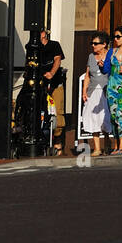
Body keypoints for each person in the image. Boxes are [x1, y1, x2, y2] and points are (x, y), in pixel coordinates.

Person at [81, 31, 113, 155]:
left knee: (104, 118)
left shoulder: (110, 56)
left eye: (95, 43)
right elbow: (88, 76)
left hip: (105, 91)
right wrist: (84, 91)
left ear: (104, 44)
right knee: (93, 117)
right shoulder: (91, 57)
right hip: (93, 91)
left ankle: (107, 142)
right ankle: (97, 148)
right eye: (92, 43)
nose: (93, 46)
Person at [39, 26, 67, 155]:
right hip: (40, 84)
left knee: (58, 112)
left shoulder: (54, 45)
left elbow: (57, 60)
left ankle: (57, 140)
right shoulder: (33, 47)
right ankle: (43, 140)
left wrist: (51, 73)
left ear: (44, 34)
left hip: (55, 83)